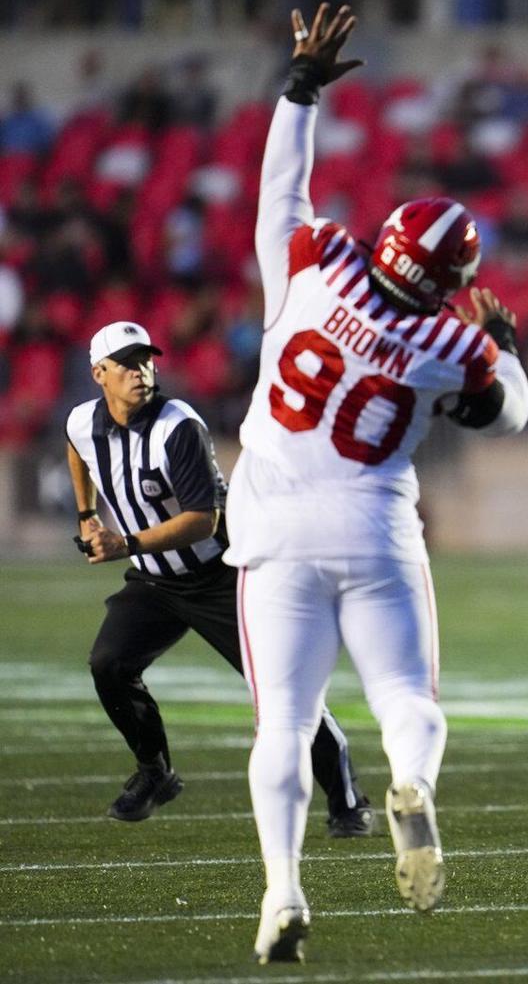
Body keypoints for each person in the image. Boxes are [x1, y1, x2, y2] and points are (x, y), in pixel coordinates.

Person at [224, 4, 528, 963]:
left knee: (285, 720)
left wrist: (300, 88)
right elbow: (508, 411)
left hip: (272, 519)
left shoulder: (315, 268)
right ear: (451, 281)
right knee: (407, 695)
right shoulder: (450, 342)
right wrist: (507, 349)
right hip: (373, 526)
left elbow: (282, 191)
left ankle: (281, 893)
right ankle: (414, 782)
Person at [65, 320, 373, 834]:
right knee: (110, 664)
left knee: (280, 688)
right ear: (99, 373)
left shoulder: (177, 425)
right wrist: (85, 514)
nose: (142, 371)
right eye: (128, 363)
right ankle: (155, 772)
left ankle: (347, 800)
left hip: (222, 575)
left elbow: (202, 520)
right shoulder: (82, 421)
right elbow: (77, 448)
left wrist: (127, 543)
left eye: (147, 359)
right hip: (156, 581)